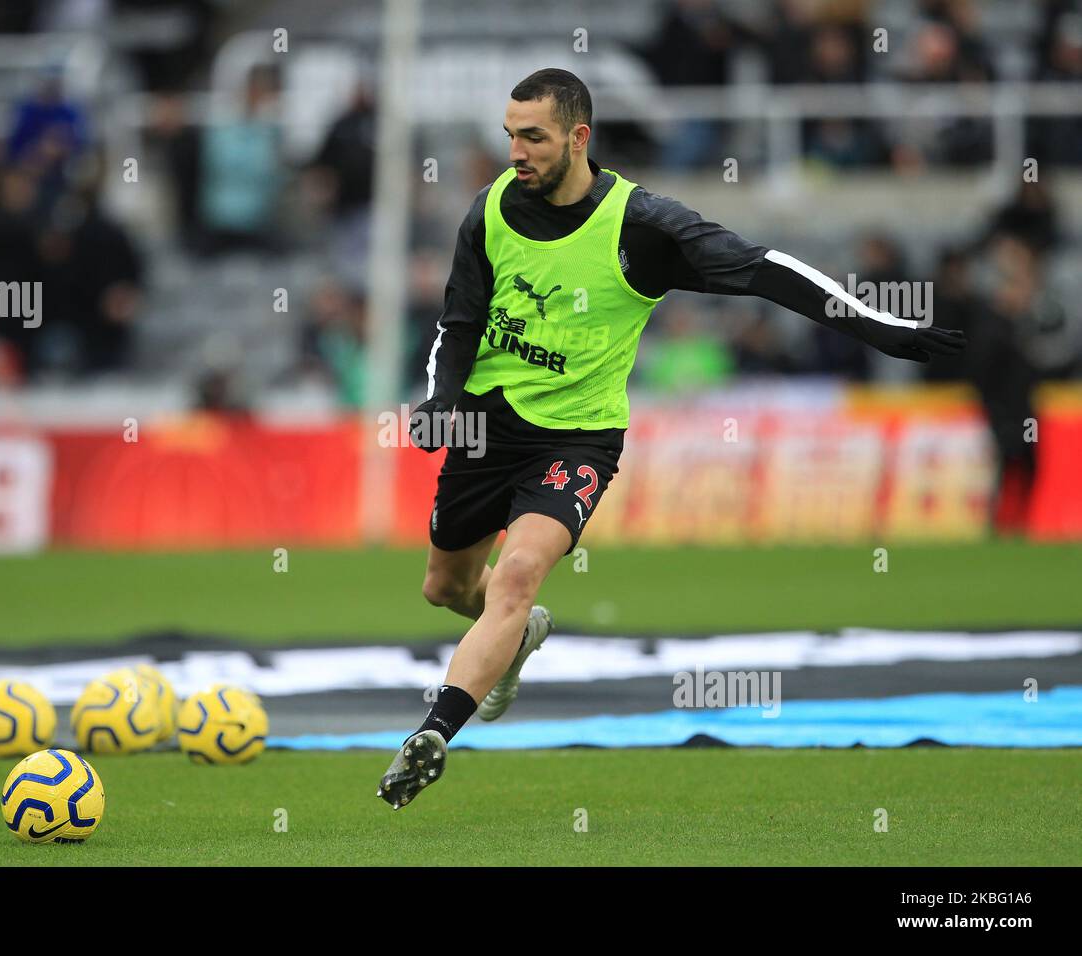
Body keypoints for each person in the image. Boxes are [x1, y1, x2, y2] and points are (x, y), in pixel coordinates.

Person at [377, 68, 966, 809]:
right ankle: (519, 638)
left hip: (579, 440)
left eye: (534, 137)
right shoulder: (490, 210)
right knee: (446, 589)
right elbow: (456, 327)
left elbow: (763, 270)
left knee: (519, 572)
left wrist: (881, 327)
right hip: (487, 430)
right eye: (511, 136)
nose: (517, 152)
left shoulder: (642, 227)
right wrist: (439, 401)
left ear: (578, 138)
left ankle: (433, 733)